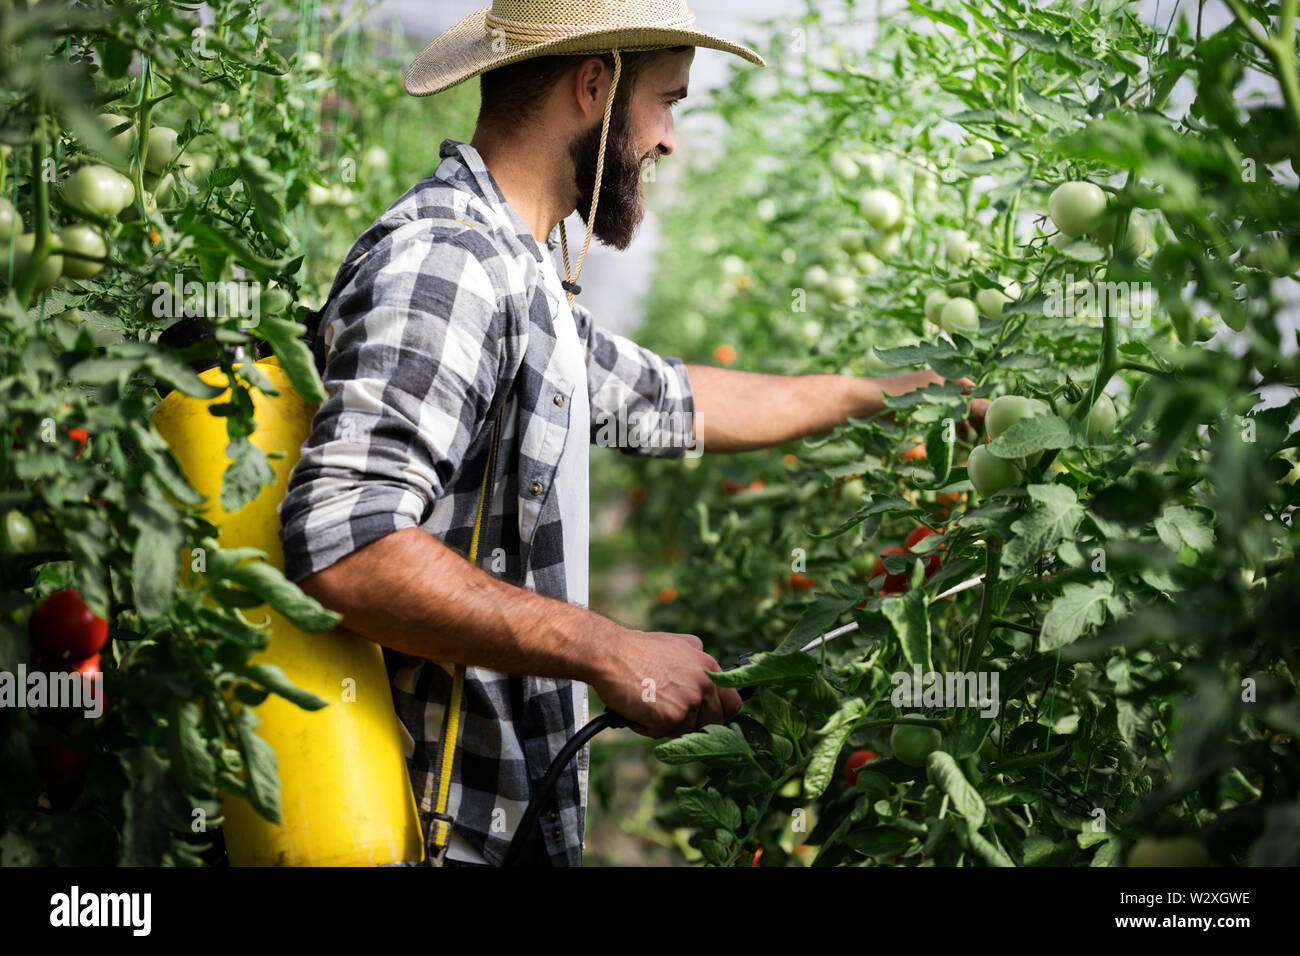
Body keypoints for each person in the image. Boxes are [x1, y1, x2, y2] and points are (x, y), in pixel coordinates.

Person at [278, 0, 970, 867]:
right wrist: (611, 648)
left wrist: (891, 394)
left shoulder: (521, 272)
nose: (669, 140)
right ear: (594, 85)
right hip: (425, 829)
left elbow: (675, 399)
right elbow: (348, 542)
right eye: (668, 101)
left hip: (486, 812)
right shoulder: (451, 263)